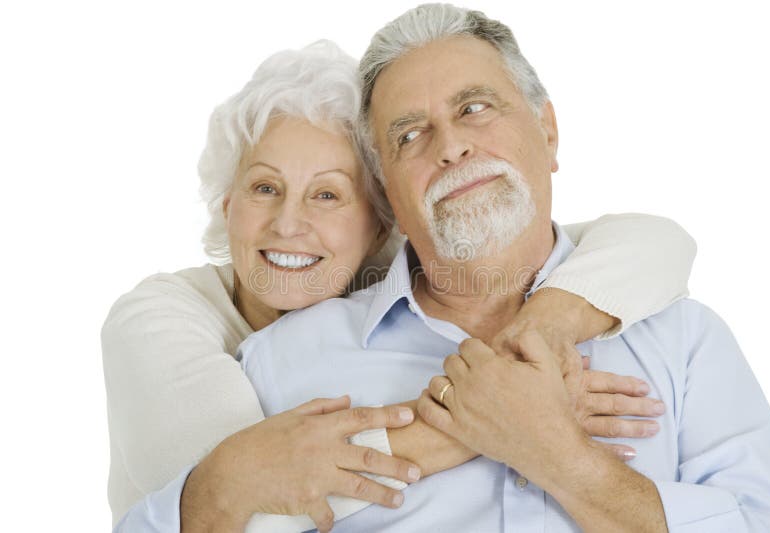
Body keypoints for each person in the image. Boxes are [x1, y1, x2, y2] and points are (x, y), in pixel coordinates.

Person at [104, 40, 698, 532]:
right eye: (264, 188)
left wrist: (532, 342)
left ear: (381, 221)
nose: (288, 223)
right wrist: (514, 414)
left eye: (328, 194)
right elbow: (250, 501)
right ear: (226, 204)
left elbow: (654, 243)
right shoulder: (160, 318)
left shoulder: (385, 290)